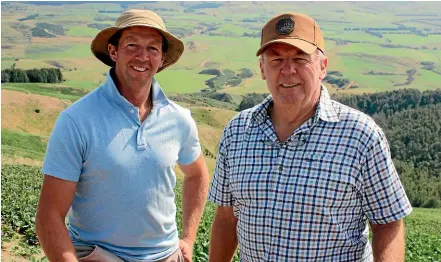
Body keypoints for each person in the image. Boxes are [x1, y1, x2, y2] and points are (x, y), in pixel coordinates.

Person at [208, 12, 412, 261]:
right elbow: (226, 218)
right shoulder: (236, 132)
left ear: (322, 67)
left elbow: (388, 223)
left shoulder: (361, 136)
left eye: (299, 58)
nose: (288, 70)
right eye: (276, 60)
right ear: (262, 69)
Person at [36, 9, 209, 262]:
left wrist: (189, 237)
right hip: (99, 255)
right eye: (132, 45)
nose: (142, 56)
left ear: (161, 59)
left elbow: (197, 174)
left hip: (165, 256)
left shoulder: (179, 119)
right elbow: (49, 215)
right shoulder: (77, 120)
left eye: (152, 48)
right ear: (113, 52)